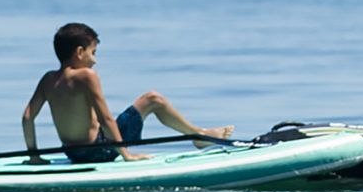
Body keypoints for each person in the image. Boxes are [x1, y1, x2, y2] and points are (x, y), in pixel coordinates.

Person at [22, 22, 233, 163]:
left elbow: (27, 117)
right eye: (93, 53)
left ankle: (200, 134)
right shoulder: (86, 76)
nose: (95, 60)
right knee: (153, 98)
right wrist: (125, 154)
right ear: (79, 52)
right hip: (98, 151)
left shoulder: (48, 79)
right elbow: (105, 118)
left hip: (72, 153)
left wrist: (34, 155)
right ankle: (199, 135)